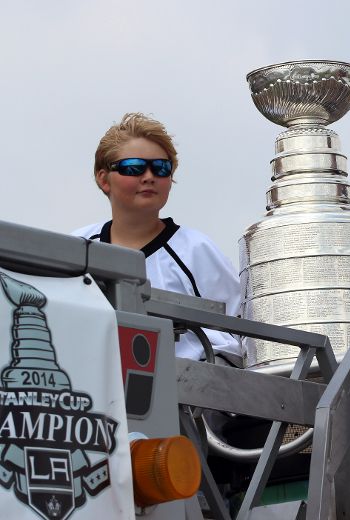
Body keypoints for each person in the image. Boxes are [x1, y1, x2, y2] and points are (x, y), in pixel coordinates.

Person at [73, 113, 242, 362]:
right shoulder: (78, 247)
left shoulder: (196, 250)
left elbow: (237, 339)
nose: (149, 176)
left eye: (161, 168)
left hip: (184, 395)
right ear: (103, 178)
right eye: (134, 167)